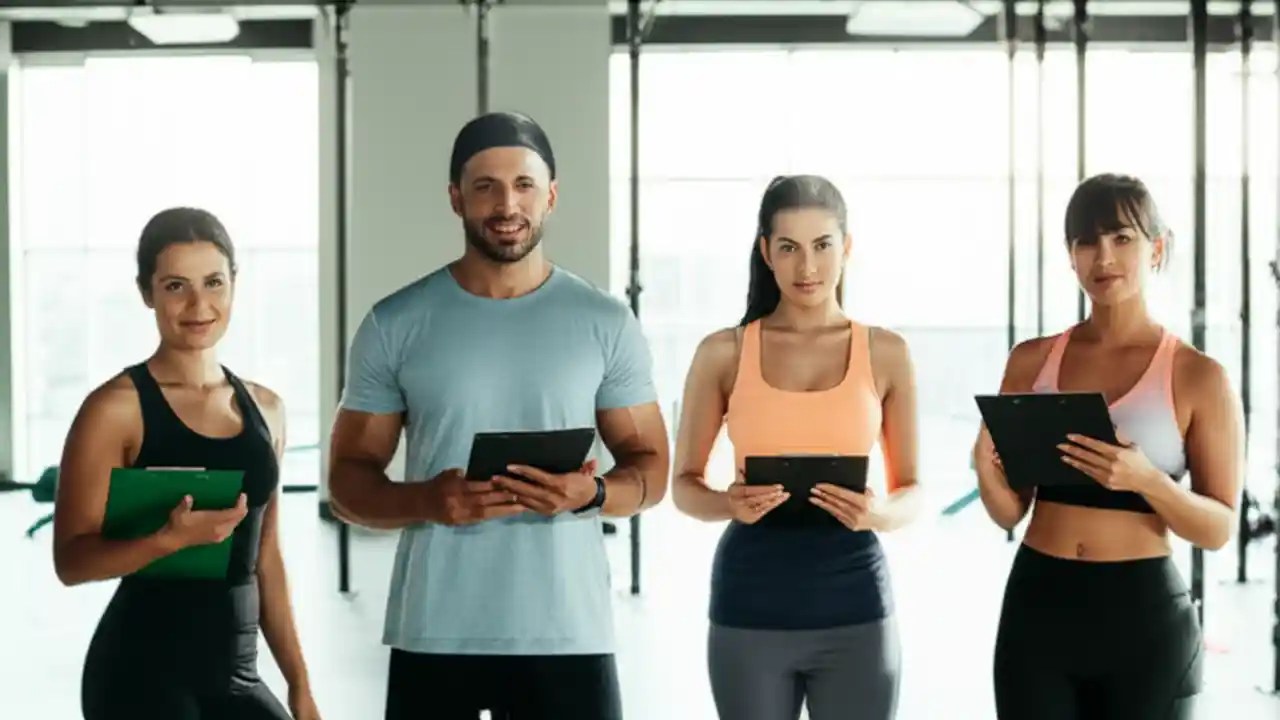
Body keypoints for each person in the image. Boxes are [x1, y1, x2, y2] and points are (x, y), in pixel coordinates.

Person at [327, 110, 671, 720]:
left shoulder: (606, 323)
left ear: (551, 196)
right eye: (485, 186)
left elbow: (651, 470)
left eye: (524, 185)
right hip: (435, 632)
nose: (506, 204)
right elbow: (348, 483)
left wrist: (590, 494)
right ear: (455, 198)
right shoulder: (394, 324)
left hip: (569, 633)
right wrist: (426, 500)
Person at [976, 173, 1243, 719]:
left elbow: (1217, 529)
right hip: (1038, 611)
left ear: (1156, 249)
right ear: (1071, 256)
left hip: (1143, 622)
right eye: (1087, 241)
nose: (1104, 257)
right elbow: (1010, 511)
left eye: (1122, 238)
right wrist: (983, 468)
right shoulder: (1031, 361)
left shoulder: (1198, 376)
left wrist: (1147, 481)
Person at [670, 175, 924, 720]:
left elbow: (914, 491)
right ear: (766, 253)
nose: (807, 267)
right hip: (749, 603)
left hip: (856, 604)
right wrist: (727, 502)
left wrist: (877, 514)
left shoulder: (887, 352)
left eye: (822, 245)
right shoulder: (722, 352)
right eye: (788, 248)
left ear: (846, 248)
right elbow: (684, 488)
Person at [52, 207, 321, 719]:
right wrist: (167, 540)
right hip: (138, 672)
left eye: (213, 282)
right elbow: (71, 562)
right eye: (176, 286)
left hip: (238, 675)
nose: (199, 305)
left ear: (234, 283)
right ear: (146, 292)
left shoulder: (267, 408)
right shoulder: (114, 410)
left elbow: (266, 558)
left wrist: (299, 685)